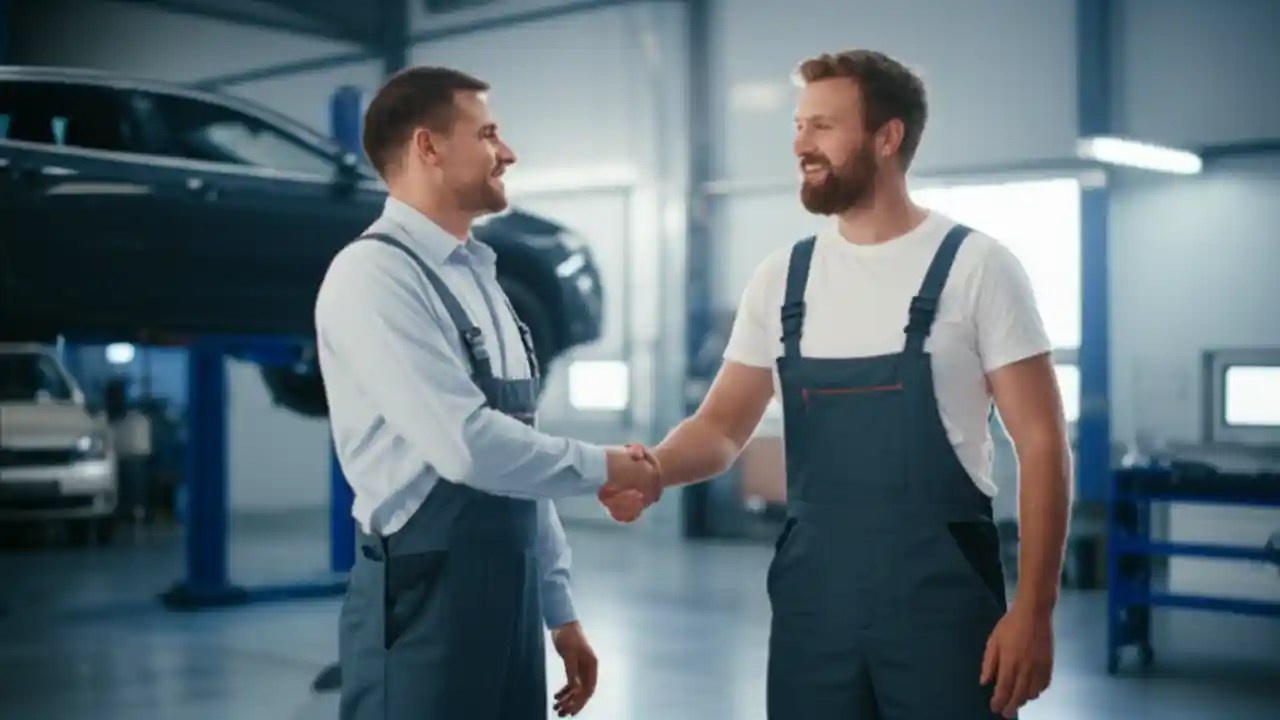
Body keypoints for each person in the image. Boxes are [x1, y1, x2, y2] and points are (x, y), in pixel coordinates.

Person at [608, 50, 1071, 719]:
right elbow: (721, 427)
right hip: (813, 608)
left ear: (888, 137)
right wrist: (656, 469)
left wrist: (1035, 609)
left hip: (942, 608)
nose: (800, 144)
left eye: (822, 126)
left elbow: (1042, 443)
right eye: (798, 127)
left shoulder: (978, 268)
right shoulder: (783, 278)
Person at [315, 66, 660, 720]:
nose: (508, 152)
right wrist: (609, 467)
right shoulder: (374, 277)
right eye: (489, 133)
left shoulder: (483, 282)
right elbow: (468, 448)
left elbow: (519, 455)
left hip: (509, 597)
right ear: (428, 146)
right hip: (423, 603)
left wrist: (558, 608)